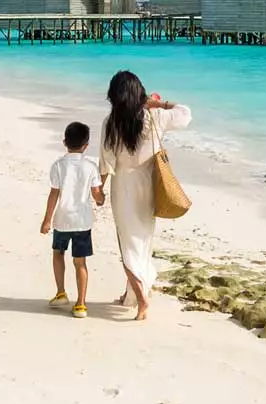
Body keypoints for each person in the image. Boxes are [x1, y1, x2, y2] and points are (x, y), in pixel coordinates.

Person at [98, 70, 191, 321]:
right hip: (147, 186)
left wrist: (98, 190)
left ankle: (141, 299)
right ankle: (131, 295)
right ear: (139, 93)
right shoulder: (155, 117)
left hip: (123, 185)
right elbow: (185, 114)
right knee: (142, 241)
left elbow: (106, 162)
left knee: (127, 243)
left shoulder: (110, 123)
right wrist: (158, 102)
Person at [40, 121, 104, 318]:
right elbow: (96, 195)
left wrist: (46, 220)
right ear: (86, 145)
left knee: (58, 253)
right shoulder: (91, 167)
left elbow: (54, 194)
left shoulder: (58, 166)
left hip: (62, 219)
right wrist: (102, 199)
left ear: (64, 142)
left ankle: (61, 292)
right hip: (82, 222)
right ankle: (81, 304)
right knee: (80, 262)